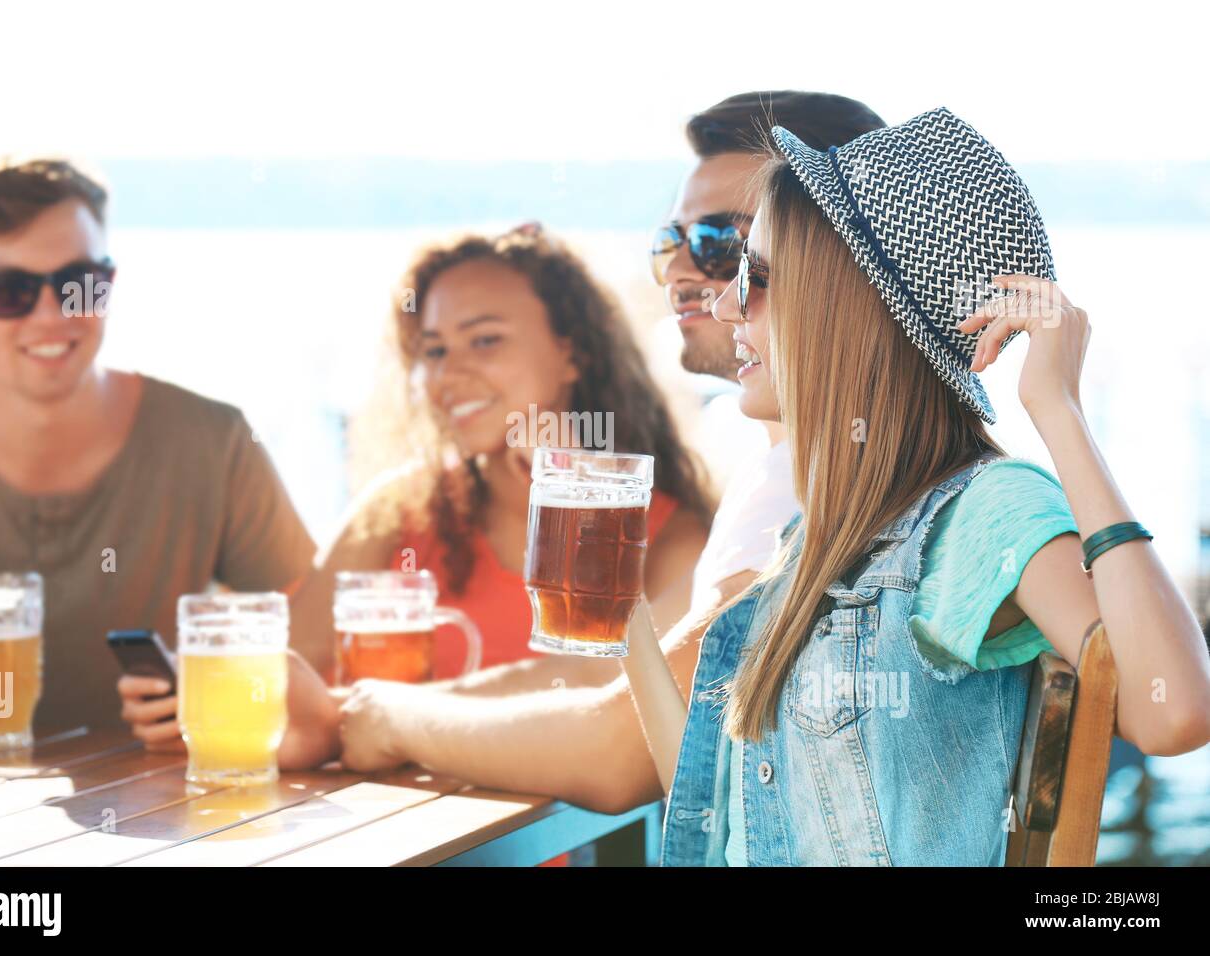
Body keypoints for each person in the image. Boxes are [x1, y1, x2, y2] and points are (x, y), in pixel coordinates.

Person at [618, 108, 1210, 866]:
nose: (730, 304)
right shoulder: (823, 537)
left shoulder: (981, 512)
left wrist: (1058, 409)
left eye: (758, 277)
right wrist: (622, 620)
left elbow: (1175, 714)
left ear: (853, 306)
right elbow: (734, 831)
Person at [269, 93, 887, 810]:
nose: (683, 275)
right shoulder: (777, 475)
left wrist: (381, 719)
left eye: (725, 243)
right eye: (668, 244)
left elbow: (626, 748)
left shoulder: (824, 492)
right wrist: (369, 709)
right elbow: (596, 673)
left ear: (837, 254)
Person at [120, 223, 715, 750]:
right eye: (433, 350)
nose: (449, 374)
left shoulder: (671, 540)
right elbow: (287, 676)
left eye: (485, 340)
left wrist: (379, 718)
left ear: (572, 353)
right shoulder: (399, 509)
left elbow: (613, 699)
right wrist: (205, 701)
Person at [0, 155, 319, 732]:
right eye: (9, 291)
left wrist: (220, 693)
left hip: (164, 811)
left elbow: (312, 634)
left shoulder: (212, 442)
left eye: (77, 285)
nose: (53, 316)